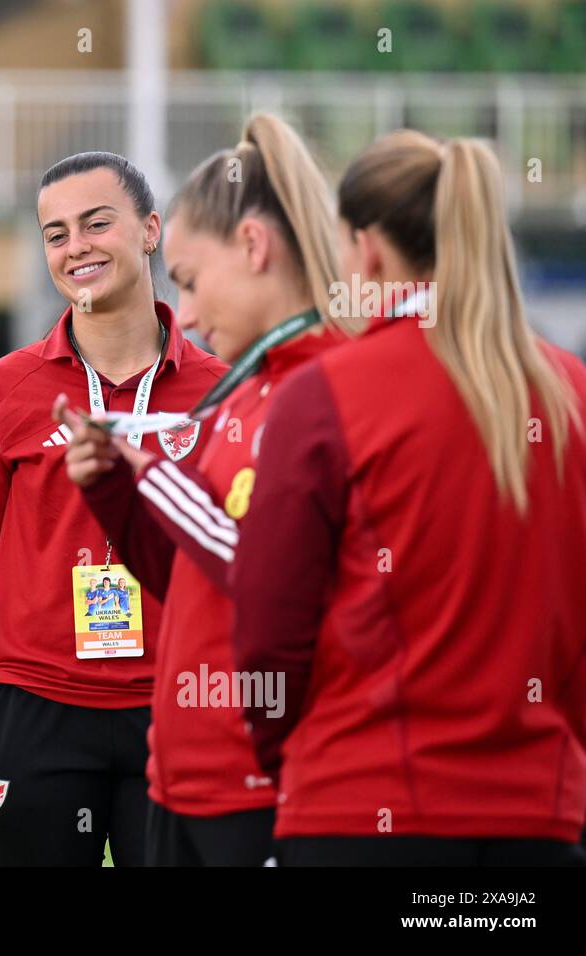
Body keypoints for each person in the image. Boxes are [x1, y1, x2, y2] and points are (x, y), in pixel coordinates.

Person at [230, 131, 586, 865]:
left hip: (359, 809)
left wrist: (289, 762)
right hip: (537, 818)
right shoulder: (569, 393)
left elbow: (267, 632)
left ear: (368, 251)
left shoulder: (325, 395)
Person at [56, 113, 358, 865]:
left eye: (190, 283)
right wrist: (117, 497)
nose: (182, 313)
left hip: (264, 788)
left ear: (253, 248)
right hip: (182, 779)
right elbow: (185, 577)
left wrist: (153, 473)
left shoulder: (330, 391)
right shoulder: (238, 395)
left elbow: (269, 577)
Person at [0, 151, 226, 866]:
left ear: (151, 230)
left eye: (97, 224)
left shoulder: (225, 390)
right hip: (35, 716)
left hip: (179, 706)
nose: (76, 247)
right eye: (56, 234)